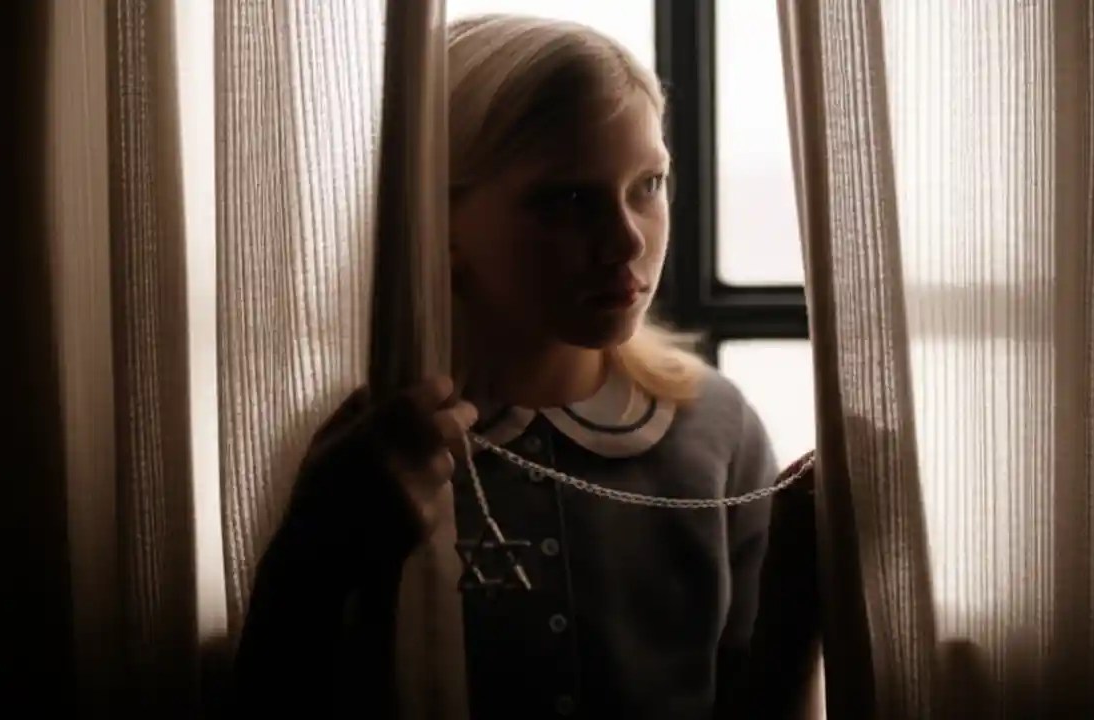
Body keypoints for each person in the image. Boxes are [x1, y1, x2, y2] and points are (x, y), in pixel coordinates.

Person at [235, 13, 780, 719]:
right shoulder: (365, 450)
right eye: (571, 200)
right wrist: (314, 553)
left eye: (649, 183)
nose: (625, 239)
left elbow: (761, 686)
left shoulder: (716, 428)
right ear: (441, 223)